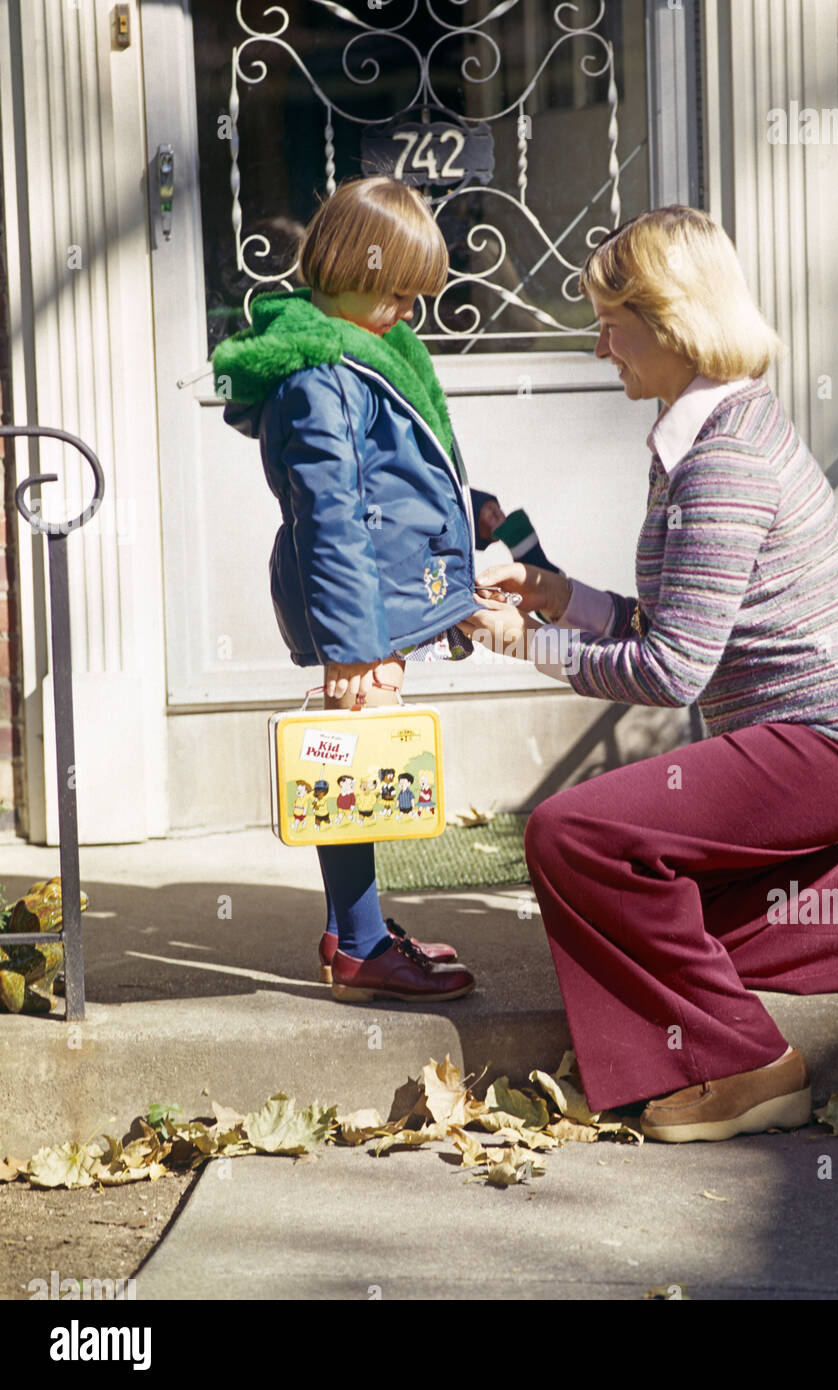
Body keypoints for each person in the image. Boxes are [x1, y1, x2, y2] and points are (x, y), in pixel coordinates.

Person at [460, 205, 838, 1143]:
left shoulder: (722, 458)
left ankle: (747, 1066)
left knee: (574, 839)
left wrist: (520, 645)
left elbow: (671, 670)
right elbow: (669, 620)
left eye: (608, 322)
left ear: (667, 321)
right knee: (671, 917)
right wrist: (546, 592)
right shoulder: (699, 430)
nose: (597, 345)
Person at [214, 175, 480, 1004]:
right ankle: (362, 947)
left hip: (385, 596)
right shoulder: (314, 376)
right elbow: (329, 520)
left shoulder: (356, 347)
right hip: (361, 608)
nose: (406, 310)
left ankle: (351, 928)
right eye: (395, 292)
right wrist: (355, 644)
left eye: (414, 295)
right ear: (343, 265)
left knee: (357, 756)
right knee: (356, 763)